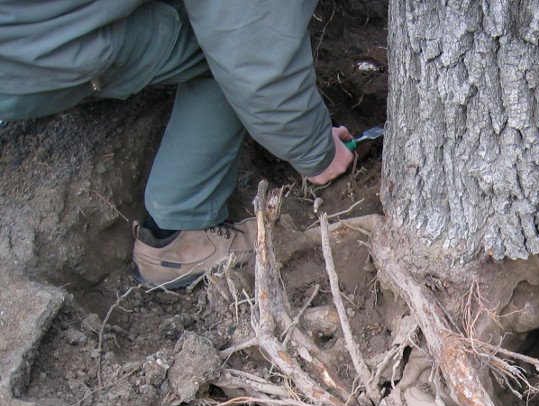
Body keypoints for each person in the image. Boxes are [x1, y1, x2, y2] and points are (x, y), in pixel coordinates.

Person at [0, 0, 354, 287]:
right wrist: (316, 150)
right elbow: (249, 52)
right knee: (222, 52)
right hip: (33, 51)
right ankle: (181, 228)